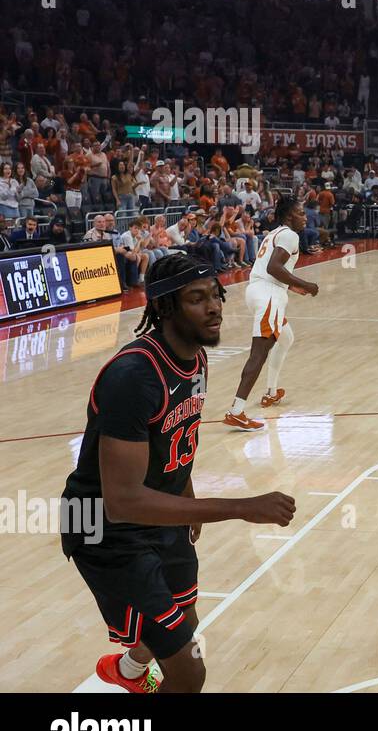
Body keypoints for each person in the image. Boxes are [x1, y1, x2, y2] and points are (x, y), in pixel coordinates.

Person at [60, 254, 296, 692]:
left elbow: (176, 442)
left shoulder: (195, 361)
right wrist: (242, 507)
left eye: (216, 295)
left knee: (184, 617)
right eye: (197, 298)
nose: (214, 307)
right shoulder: (134, 376)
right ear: (166, 306)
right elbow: (122, 499)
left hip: (157, 515)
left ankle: (127, 671)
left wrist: (186, 502)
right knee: (190, 670)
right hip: (102, 527)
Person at [225, 198, 319, 430]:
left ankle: (271, 391)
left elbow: (272, 269)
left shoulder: (274, 233)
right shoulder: (290, 235)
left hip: (258, 291)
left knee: (286, 337)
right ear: (289, 217)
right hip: (268, 295)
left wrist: (292, 286)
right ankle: (236, 411)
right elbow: (274, 268)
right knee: (259, 354)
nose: (305, 217)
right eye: (300, 213)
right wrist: (306, 284)